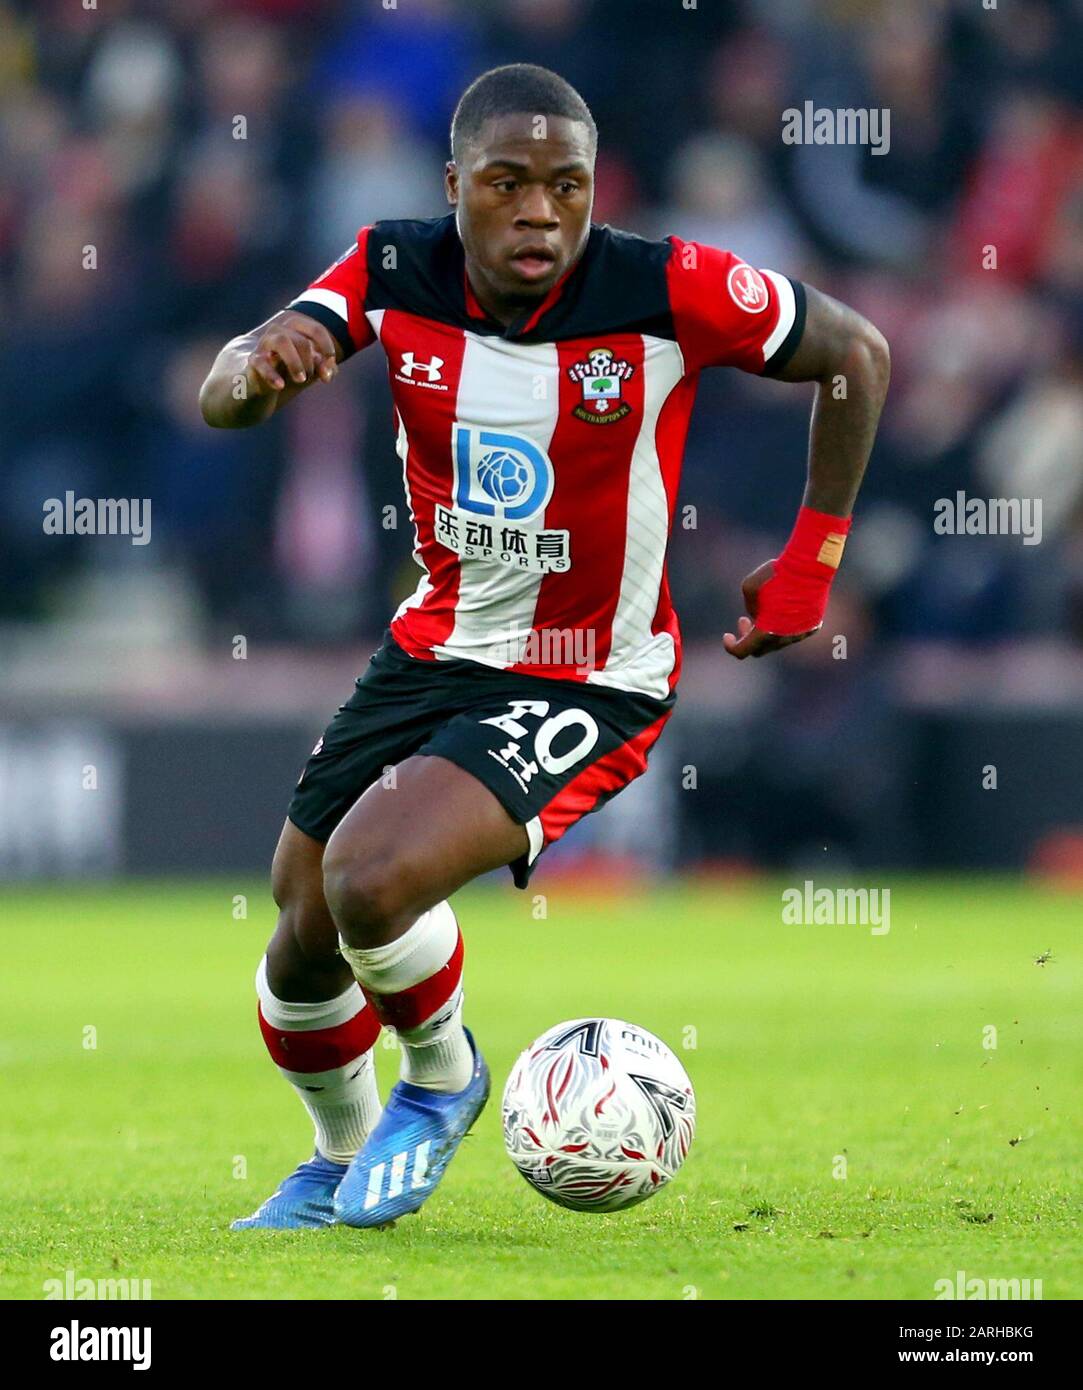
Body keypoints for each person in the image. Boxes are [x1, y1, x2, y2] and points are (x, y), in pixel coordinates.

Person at [199, 63, 890, 1230]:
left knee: (370, 877)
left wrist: (813, 555)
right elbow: (230, 388)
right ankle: (337, 1155)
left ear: (591, 190)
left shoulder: (668, 287)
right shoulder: (388, 265)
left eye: (566, 186)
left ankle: (445, 1074)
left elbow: (857, 353)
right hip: (436, 641)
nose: (540, 213)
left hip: (590, 666)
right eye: (509, 184)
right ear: (454, 183)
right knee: (302, 928)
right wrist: (255, 370)